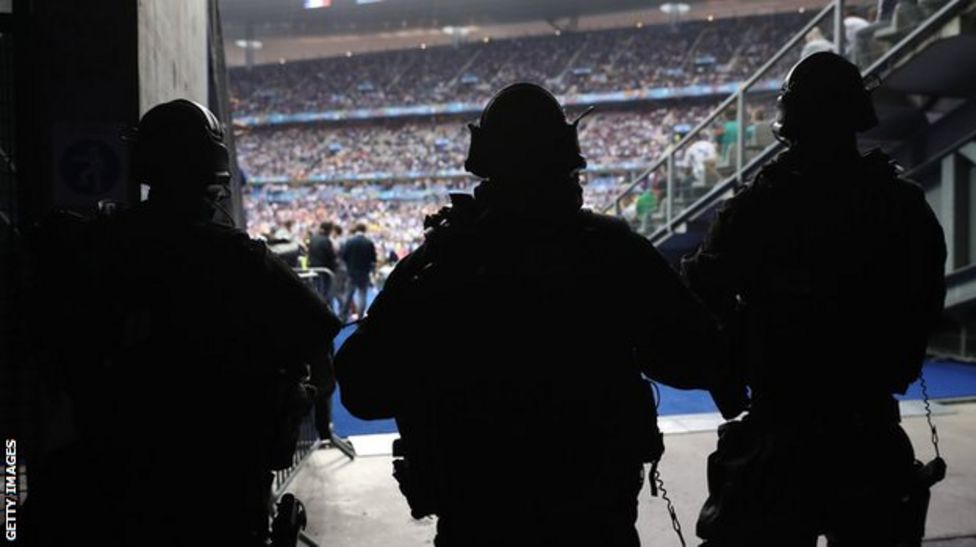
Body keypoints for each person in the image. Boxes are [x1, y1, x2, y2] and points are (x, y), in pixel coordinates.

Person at [335, 82, 745, 547]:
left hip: (477, 516)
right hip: (594, 516)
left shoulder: (436, 264)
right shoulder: (611, 250)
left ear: (484, 167)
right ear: (567, 166)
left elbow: (363, 390)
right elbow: (696, 357)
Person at [25, 99, 341, 547]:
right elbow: (318, 349)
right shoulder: (240, 259)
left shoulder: (91, 247)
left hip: (109, 481)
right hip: (217, 490)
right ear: (213, 175)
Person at [682, 52, 946, 546]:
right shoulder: (900, 204)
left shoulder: (759, 205)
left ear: (791, 119)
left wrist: (725, 368)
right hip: (868, 426)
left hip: (779, 432)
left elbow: (702, 291)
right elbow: (925, 298)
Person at [339, 222, 377, 320]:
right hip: (364, 272)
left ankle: (343, 316)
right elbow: (373, 259)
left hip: (351, 272)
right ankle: (360, 317)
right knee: (362, 294)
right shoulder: (369, 243)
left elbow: (344, 256)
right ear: (365, 230)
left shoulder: (350, 241)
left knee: (348, 295)